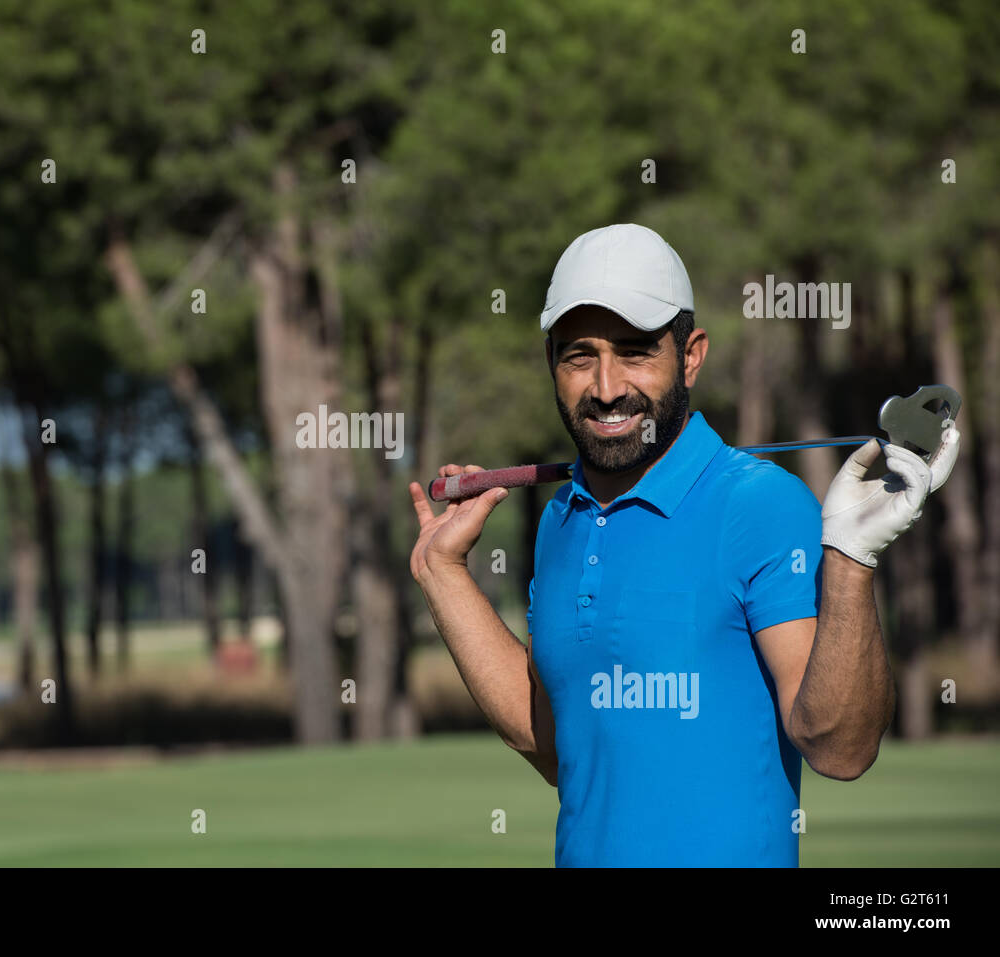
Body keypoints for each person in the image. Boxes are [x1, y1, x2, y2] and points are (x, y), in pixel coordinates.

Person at [407, 223, 960, 867]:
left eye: (636, 351)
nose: (607, 387)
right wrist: (442, 573)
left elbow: (841, 749)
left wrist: (850, 560)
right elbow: (560, 746)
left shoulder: (761, 505)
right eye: (578, 355)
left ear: (691, 355)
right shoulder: (561, 518)